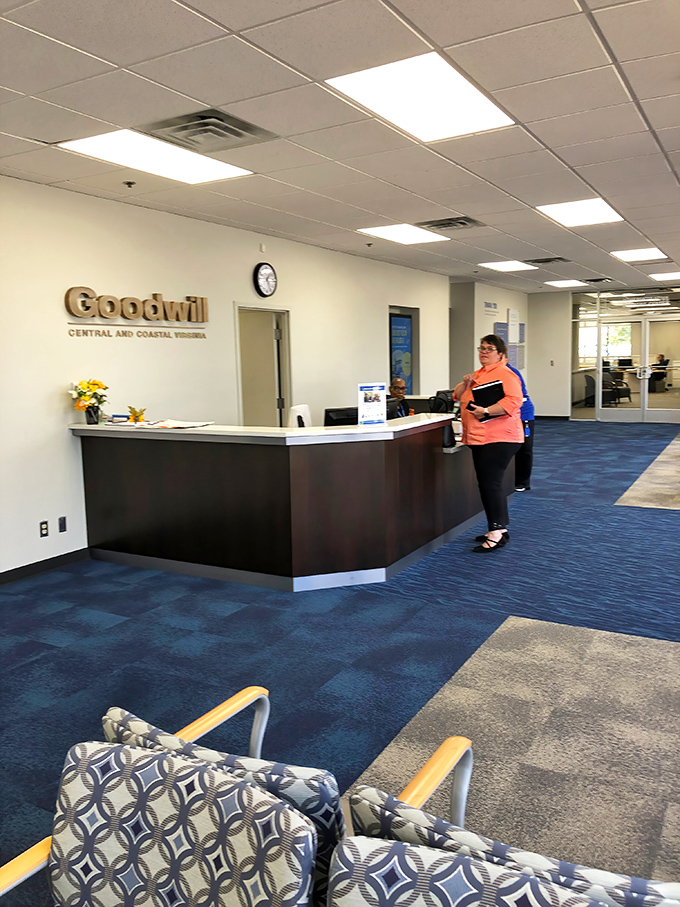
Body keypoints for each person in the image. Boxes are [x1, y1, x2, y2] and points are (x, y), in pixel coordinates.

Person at [453, 335, 523, 553]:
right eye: (481, 348)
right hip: (481, 437)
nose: (483, 352)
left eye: (489, 349)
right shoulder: (479, 374)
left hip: (499, 437)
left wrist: (486, 411)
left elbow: (514, 401)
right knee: (488, 484)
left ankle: (496, 530)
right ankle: (499, 529)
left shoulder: (505, 373)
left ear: (500, 353)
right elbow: (457, 395)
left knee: (490, 484)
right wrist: (465, 384)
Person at [505, 361, 535, 491]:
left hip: (523, 414)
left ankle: (522, 482)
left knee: (524, 448)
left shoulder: (511, 373)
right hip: (507, 415)